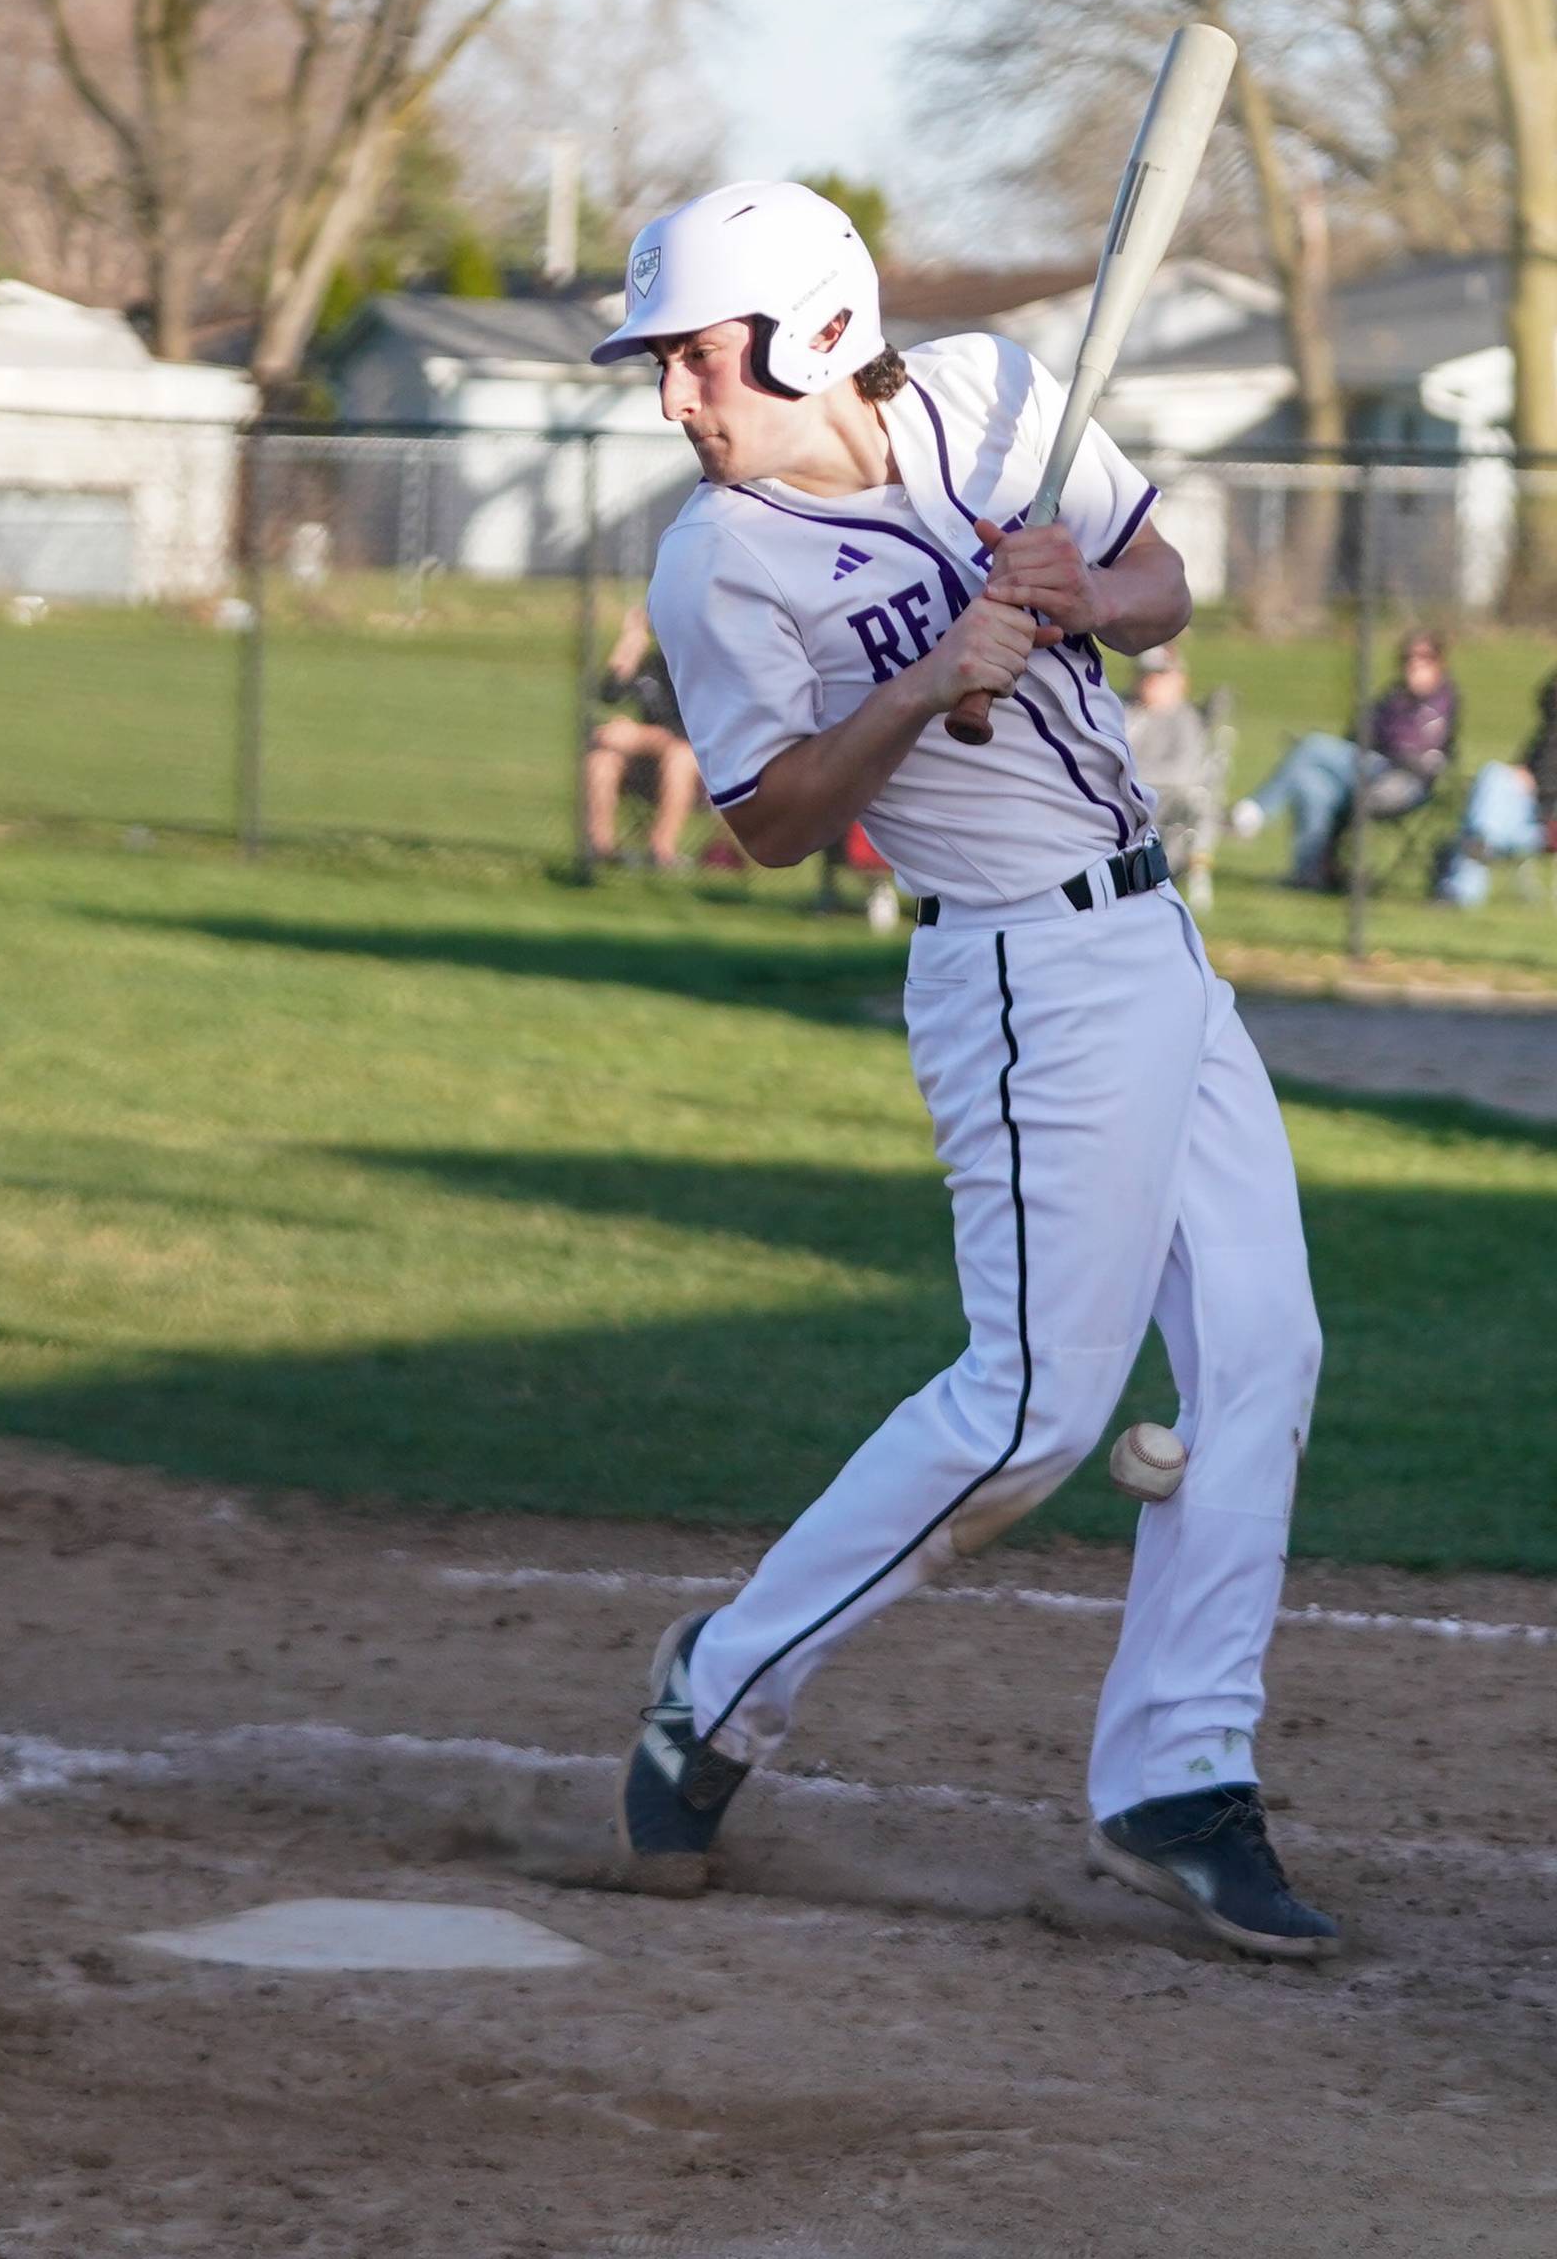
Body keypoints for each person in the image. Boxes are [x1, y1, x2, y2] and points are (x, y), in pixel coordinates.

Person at [590, 180, 1335, 1960]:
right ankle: (722, 1687)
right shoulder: (720, 558)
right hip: (1018, 966)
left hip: (1157, 943)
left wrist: (1083, 588)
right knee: (1032, 1408)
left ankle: (1177, 1773)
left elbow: (1164, 590)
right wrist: (927, 684)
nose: (678, 399)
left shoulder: (1001, 397)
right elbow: (770, 822)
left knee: (1262, 1343)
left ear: (811, 332)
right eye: (666, 369)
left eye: (698, 358)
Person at [1230, 630, 1459, 888]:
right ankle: (1310, 874)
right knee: (1309, 782)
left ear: (1439, 662)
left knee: (1312, 746)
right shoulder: (1394, 697)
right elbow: (1359, 730)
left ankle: (1253, 812)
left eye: (1424, 658)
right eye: (1407, 657)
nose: (1413, 665)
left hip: (1402, 780)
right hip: (1369, 767)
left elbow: (1412, 747)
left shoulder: (1440, 701)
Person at [584, 605, 704, 869]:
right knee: (603, 758)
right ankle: (599, 850)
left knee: (680, 758)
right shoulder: (652, 666)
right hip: (651, 768)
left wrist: (639, 737)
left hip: (705, 778)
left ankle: (661, 852)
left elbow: (695, 739)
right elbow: (610, 694)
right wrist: (630, 644)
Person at [1434, 668, 1557, 905]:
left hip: (1547, 823)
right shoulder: (1550, 734)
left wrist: (1539, 785)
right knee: (1493, 776)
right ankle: (1481, 842)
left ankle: (1465, 876)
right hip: (1528, 813)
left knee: (1485, 823)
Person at [1120, 644, 1222, 913]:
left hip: (1155, 809)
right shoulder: (1119, 708)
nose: (1150, 681)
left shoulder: (1184, 720)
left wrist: (1123, 774)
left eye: (1160, 675)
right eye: (1145, 674)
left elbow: (1182, 773)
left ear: (1180, 681)